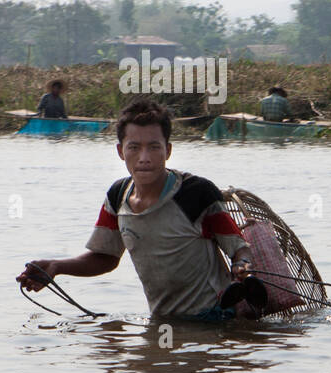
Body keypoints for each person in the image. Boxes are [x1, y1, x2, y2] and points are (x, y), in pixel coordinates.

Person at [17, 98, 264, 321]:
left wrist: (242, 268)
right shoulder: (117, 197)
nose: (144, 157)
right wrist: (56, 267)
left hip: (215, 318)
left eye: (154, 147)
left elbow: (239, 249)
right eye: (134, 147)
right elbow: (106, 258)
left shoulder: (197, 194)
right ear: (120, 151)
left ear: (167, 150)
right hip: (163, 320)